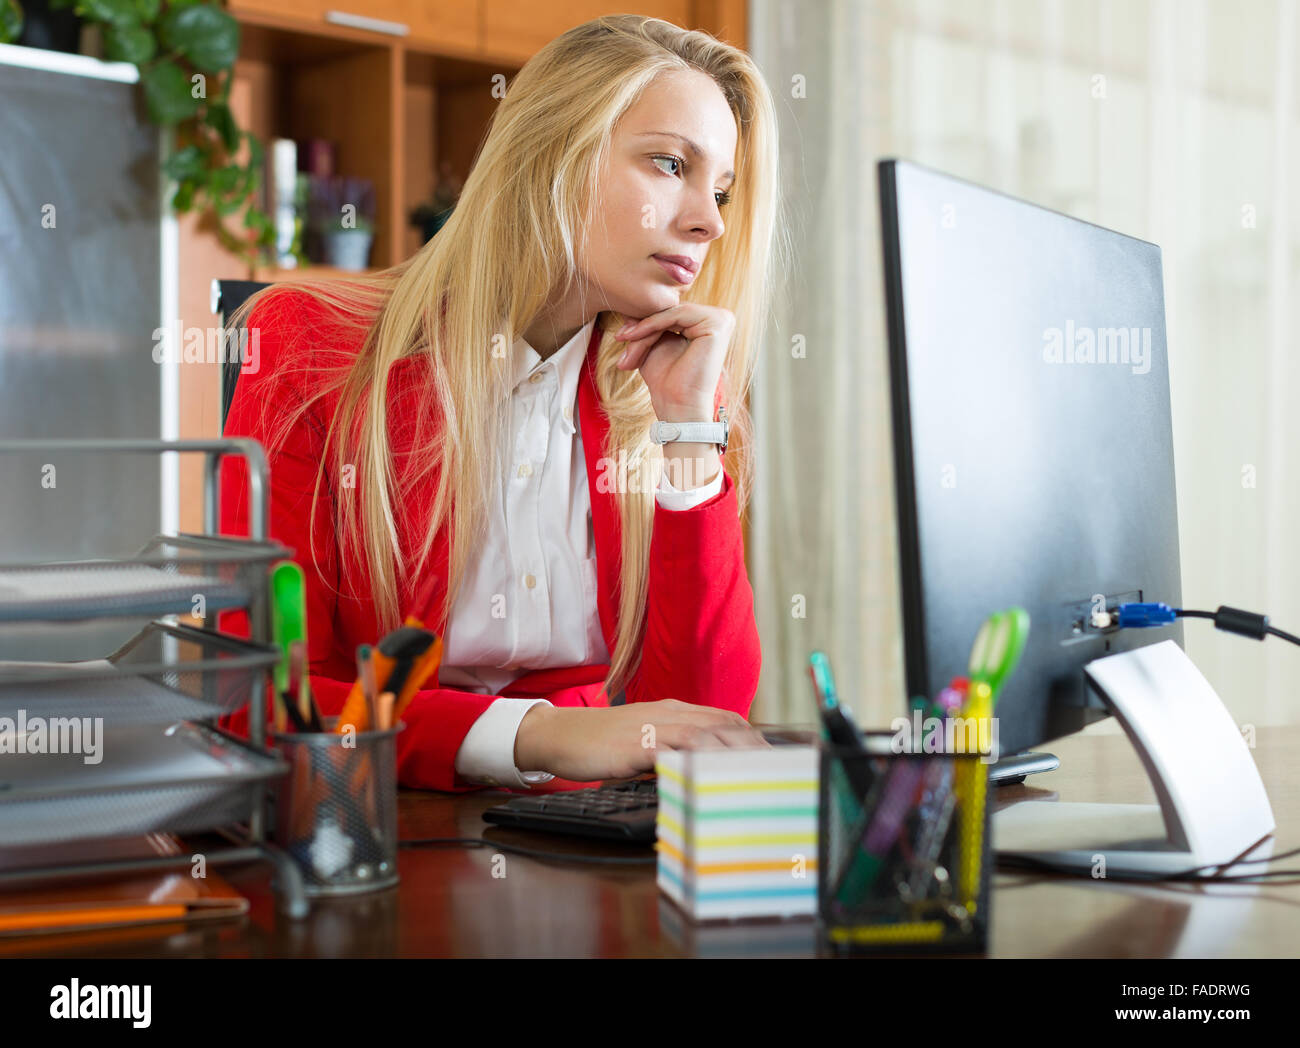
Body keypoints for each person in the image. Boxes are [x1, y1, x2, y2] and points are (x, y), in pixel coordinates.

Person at [219, 14, 784, 792]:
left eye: (719, 190)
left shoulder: (668, 392)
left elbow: (703, 722)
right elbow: (260, 702)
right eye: (667, 164)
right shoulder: (308, 346)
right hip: (371, 825)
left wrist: (690, 433)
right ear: (549, 153)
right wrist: (542, 736)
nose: (709, 220)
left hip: (586, 844)